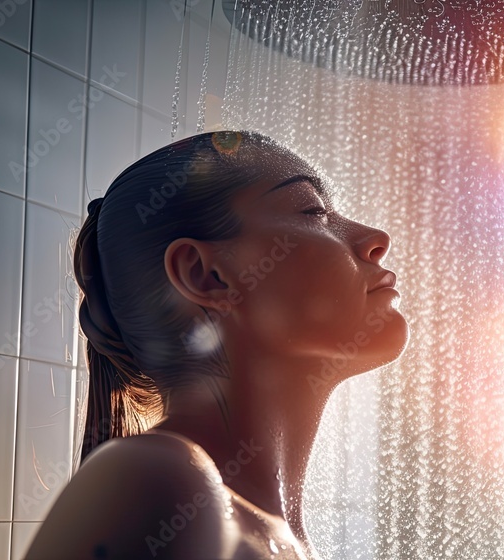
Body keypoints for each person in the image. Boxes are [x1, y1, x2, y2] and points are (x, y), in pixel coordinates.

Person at [25, 131, 409, 559]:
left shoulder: (276, 536)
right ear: (205, 275)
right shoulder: (161, 478)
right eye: (313, 212)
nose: (376, 238)